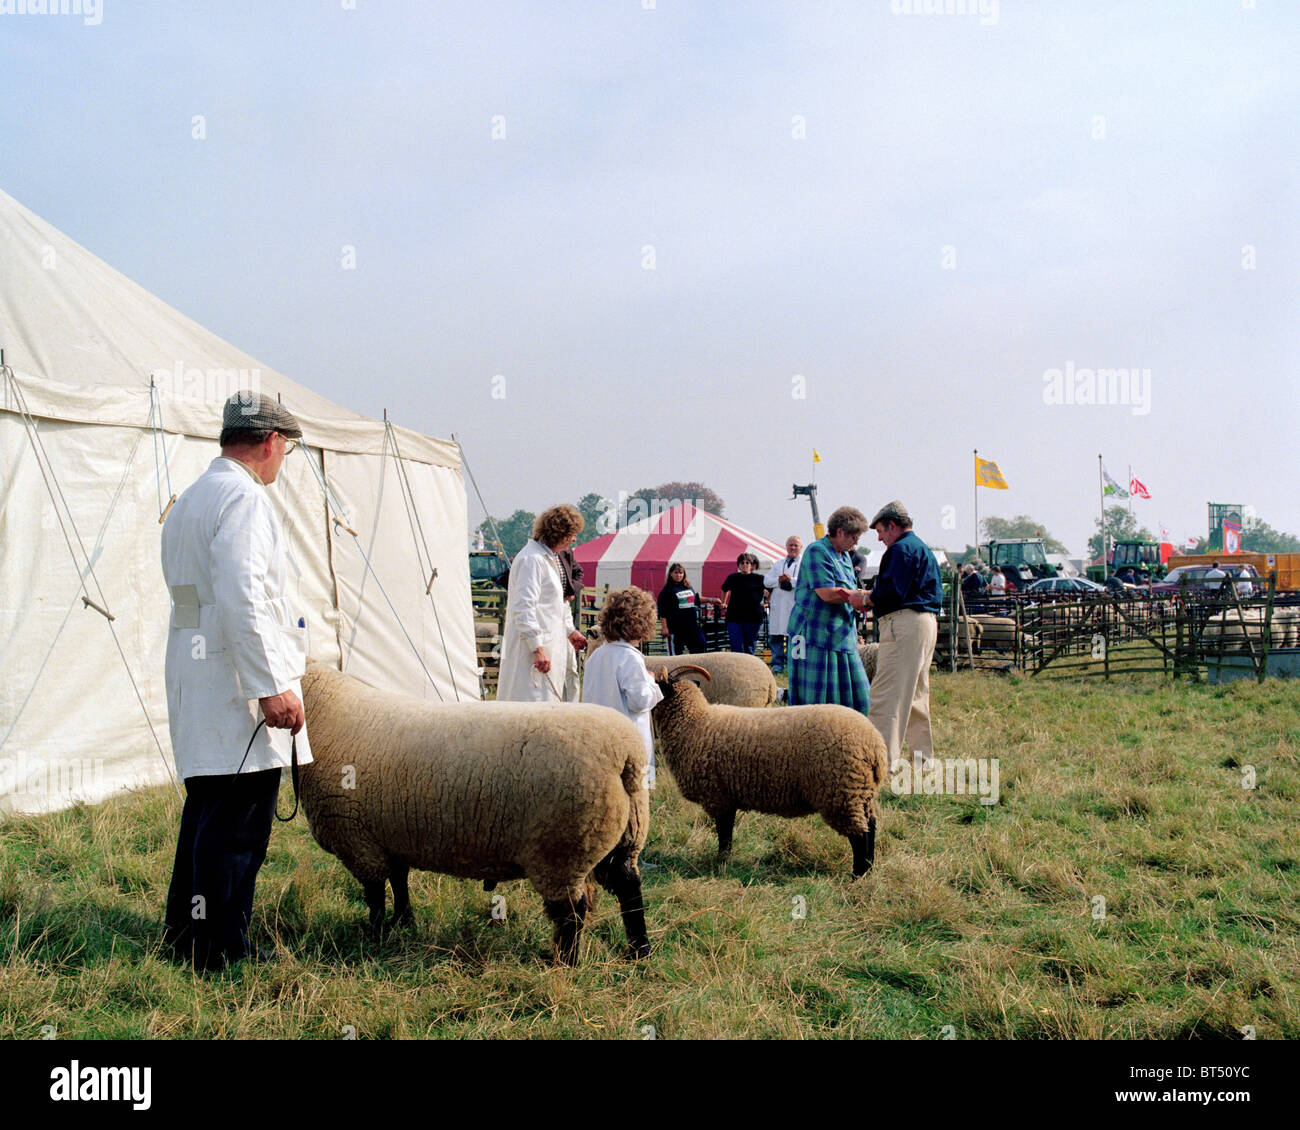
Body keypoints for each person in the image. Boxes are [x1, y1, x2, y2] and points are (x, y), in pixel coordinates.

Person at [161, 391, 313, 973]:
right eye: (286, 450)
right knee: (237, 830)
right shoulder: (245, 500)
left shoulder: (192, 499)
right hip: (234, 687)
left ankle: (185, 936)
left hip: (199, 675)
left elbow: (192, 599)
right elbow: (243, 595)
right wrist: (271, 684)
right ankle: (221, 950)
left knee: (206, 816)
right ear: (272, 442)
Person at [850, 500, 941, 770]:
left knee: (886, 694)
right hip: (925, 622)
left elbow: (891, 592)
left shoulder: (899, 550)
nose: (878, 538)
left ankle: (880, 763)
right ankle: (922, 760)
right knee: (915, 693)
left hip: (904, 624)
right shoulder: (922, 548)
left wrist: (865, 600)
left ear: (892, 525)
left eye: (880, 531)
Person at [497, 506, 588, 702]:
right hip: (532, 654)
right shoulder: (532, 560)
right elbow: (523, 608)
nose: (574, 540)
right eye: (572, 534)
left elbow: (557, 602)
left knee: (547, 707)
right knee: (528, 708)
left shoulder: (550, 558)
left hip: (549, 647)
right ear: (559, 534)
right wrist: (537, 648)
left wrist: (570, 630)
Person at [785, 507, 871, 715]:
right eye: (854, 537)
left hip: (840, 635)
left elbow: (847, 591)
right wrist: (862, 596)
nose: (856, 543)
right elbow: (827, 593)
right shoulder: (817, 551)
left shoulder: (844, 557)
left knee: (859, 698)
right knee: (813, 700)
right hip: (811, 636)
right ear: (840, 532)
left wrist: (860, 597)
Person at [581, 588, 664, 788]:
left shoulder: (596, 657)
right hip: (628, 738)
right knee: (634, 795)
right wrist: (652, 682)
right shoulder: (630, 657)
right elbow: (639, 700)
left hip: (599, 738)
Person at [763, 535, 803, 674]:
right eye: (790, 545)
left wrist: (790, 580)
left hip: (794, 606)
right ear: (786, 547)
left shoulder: (804, 564)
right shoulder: (778, 564)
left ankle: (793, 665)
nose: (792, 548)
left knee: (794, 637)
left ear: (800, 548)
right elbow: (767, 581)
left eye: (795, 545)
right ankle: (777, 664)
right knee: (776, 637)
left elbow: (806, 581)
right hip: (778, 606)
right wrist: (780, 581)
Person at [719, 552, 768, 654]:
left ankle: (749, 669)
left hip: (753, 617)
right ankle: (736, 669)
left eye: (747, 562)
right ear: (738, 565)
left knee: (749, 645)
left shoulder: (760, 578)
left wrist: (767, 602)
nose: (744, 565)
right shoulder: (733, 577)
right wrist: (723, 602)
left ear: (752, 565)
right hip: (734, 616)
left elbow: (770, 590)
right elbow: (724, 589)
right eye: (742, 563)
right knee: (736, 645)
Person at [657, 562, 708, 655]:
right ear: (671, 574)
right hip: (676, 628)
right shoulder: (667, 590)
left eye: (681, 573)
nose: (678, 575)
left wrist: (712, 600)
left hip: (691, 626)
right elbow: (662, 611)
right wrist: (665, 628)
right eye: (676, 573)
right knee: (676, 655)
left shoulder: (687, 587)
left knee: (700, 646)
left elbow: (695, 599)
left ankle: (693, 668)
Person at [558, 547, 585, 702]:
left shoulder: (565, 553)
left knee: (571, 667)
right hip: (547, 618)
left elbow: (578, 572)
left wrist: (571, 588)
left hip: (564, 612)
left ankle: (572, 704)